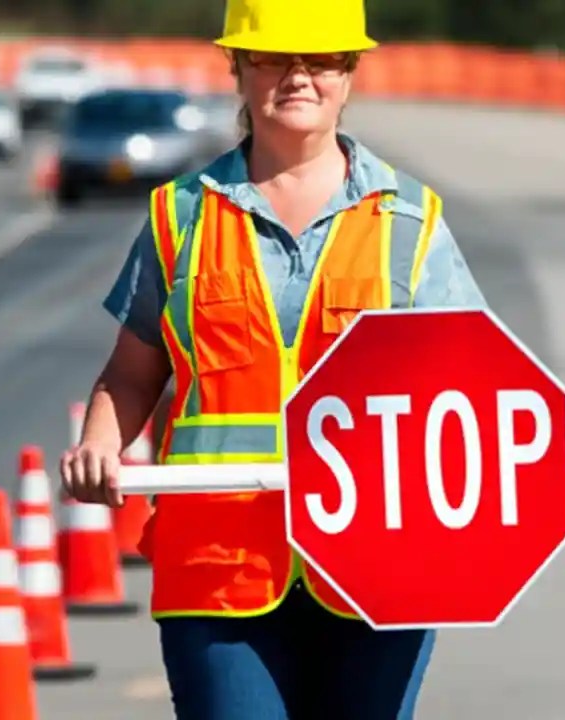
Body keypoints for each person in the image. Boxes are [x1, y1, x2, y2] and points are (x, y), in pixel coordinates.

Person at [58, 0, 489, 718]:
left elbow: (472, 388)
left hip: (378, 569)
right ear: (238, 69)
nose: (298, 77)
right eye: (273, 58)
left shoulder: (412, 222)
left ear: (349, 73)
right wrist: (100, 441)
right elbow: (132, 374)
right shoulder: (180, 216)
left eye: (320, 59)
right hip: (218, 569)